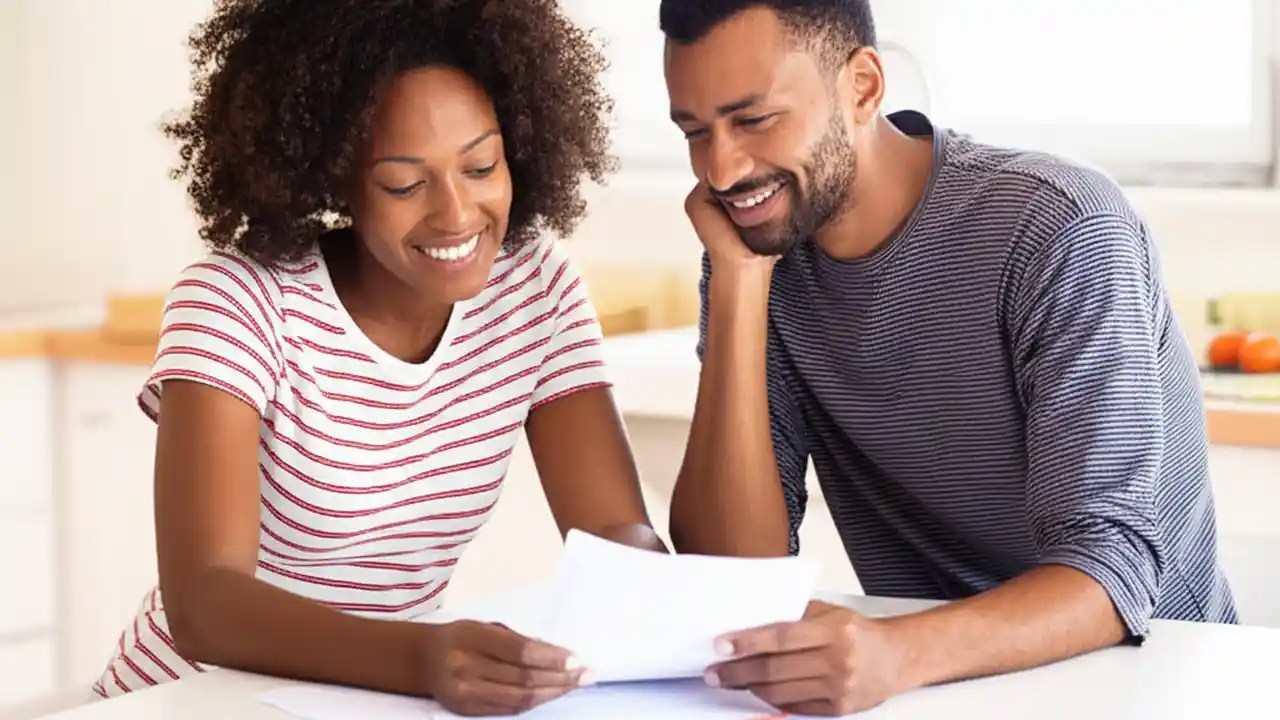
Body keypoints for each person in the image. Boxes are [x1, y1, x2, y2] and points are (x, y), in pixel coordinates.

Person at [660, 0, 1237, 715]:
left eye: (753, 120)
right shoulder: (763, 250)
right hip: (936, 692)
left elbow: (1111, 577)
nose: (720, 169)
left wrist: (897, 651)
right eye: (694, 132)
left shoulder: (1059, 228)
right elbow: (731, 576)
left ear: (863, 87)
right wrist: (740, 284)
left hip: (1152, 686)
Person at [93, 0, 665, 715]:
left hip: (375, 700)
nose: (456, 215)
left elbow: (614, 532)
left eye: (481, 166)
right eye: (404, 183)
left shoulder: (534, 285)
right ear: (336, 179)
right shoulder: (239, 300)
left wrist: (656, 605)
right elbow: (206, 602)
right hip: (186, 700)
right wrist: (421, 656)